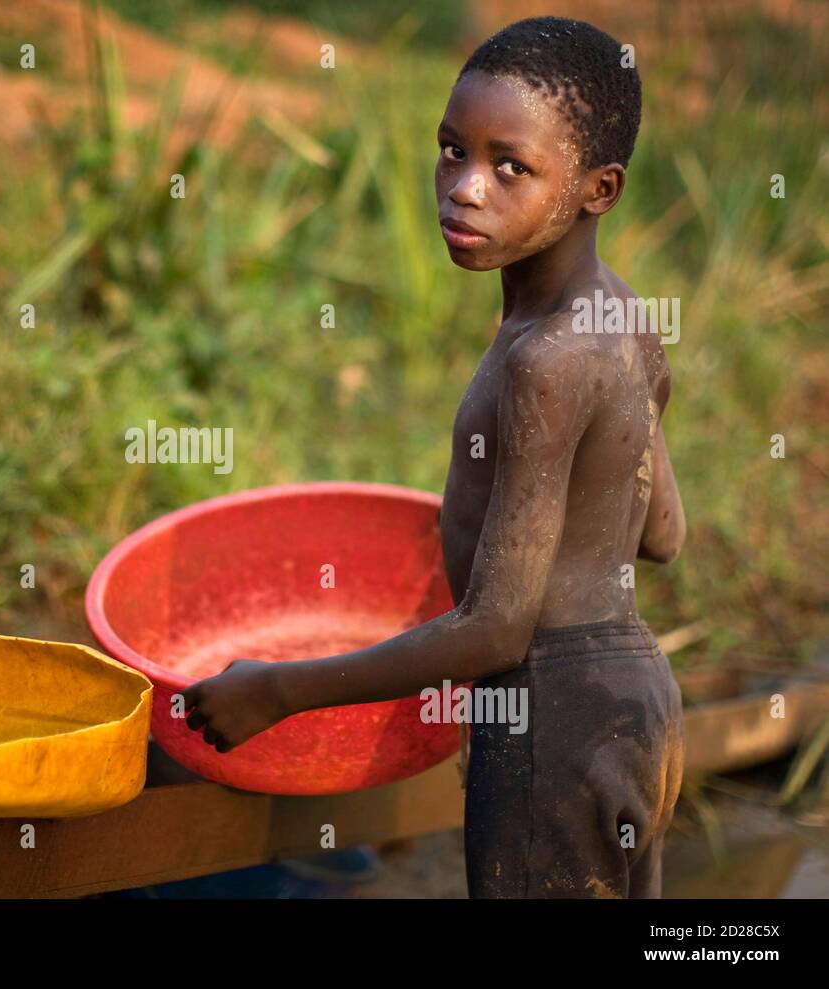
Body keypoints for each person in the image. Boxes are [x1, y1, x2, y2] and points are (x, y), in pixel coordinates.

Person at [182, 17, 687, 899]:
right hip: (640, 703)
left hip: (549, 723)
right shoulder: (623, 317)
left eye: (509, 167)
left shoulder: (545, 360)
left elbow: (497, 629)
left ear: (598, 189)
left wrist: (277, 691)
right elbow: (666, 533)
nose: (463, 187)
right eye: (452, 150)